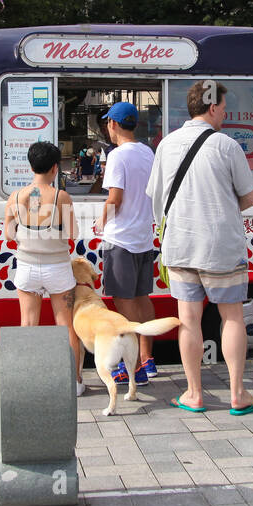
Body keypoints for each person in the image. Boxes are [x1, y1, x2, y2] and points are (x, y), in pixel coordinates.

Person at [148, 80, 253, 416]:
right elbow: (250, 196)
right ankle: (237, 394)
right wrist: (222, 208)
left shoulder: (166, 144)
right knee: (232, 317)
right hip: (221, 246)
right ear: (212, 107)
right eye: (224, 108)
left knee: (189, 320)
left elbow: (156, 199)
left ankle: (194, 393)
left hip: (180, 244)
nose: (225, 114)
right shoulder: (227, 146)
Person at [5, 141, 86, 397]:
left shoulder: (16, 197)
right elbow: (73, 233)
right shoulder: (61, 197)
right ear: (55, 168)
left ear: (30, 166)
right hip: (58, 269)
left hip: (27, 267)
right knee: (66, 326)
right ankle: (74, 382)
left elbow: (8, 236)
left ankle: (27, 381)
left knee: (28, 324)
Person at [95, 102, 158, 385]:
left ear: (113, 124)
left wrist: (101, 222)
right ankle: (148, 360)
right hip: (144, 237)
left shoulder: (118, 156)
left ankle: (134, 368)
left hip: (121, 239)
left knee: (123, 303)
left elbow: (115, 198)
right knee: (142, 299)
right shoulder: (148, 152)